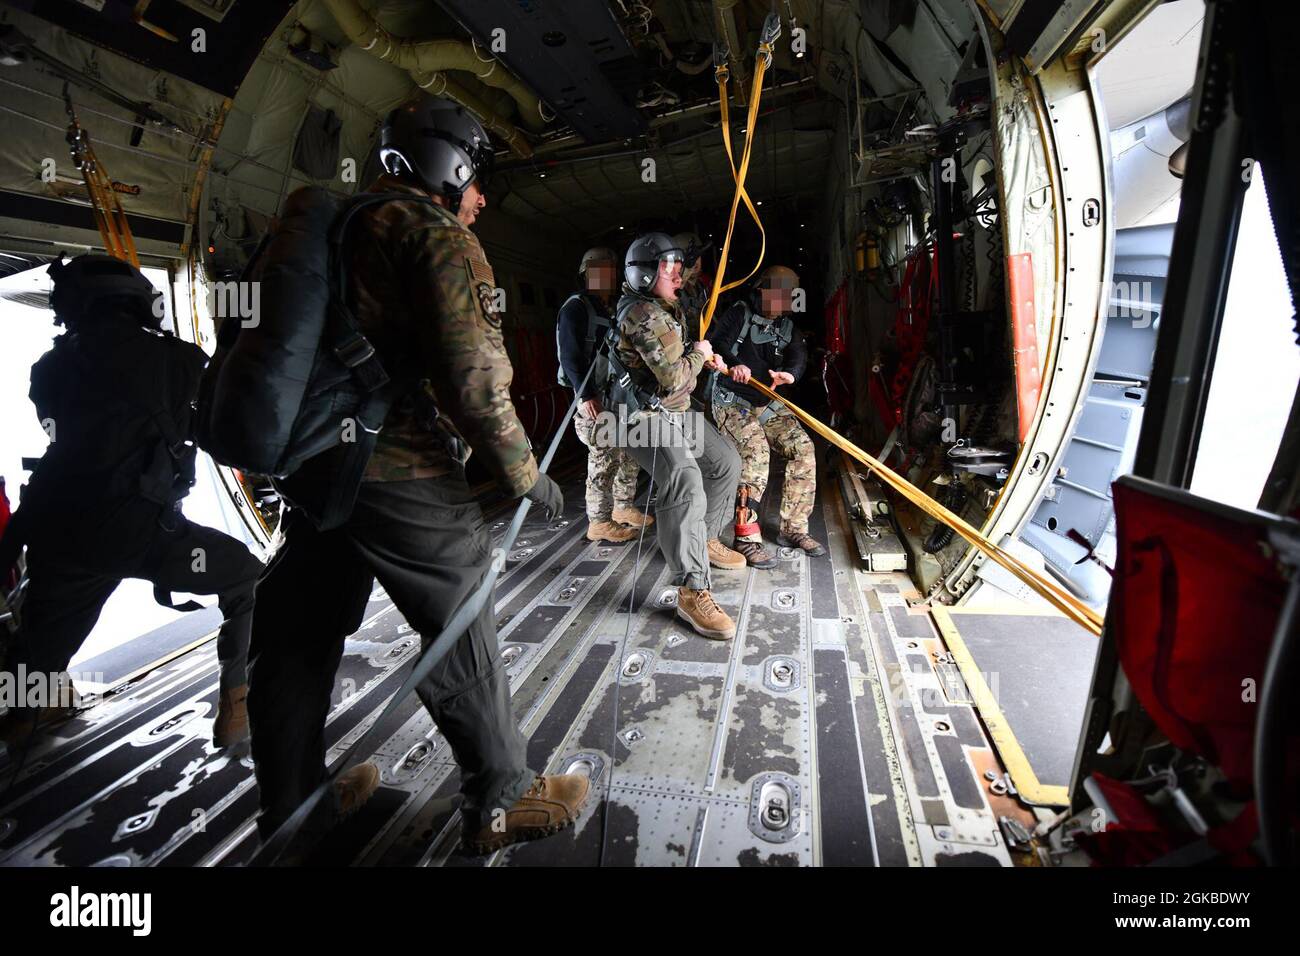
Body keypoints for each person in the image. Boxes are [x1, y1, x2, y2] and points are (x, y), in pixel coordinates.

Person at [245, 96, 588, 858]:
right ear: (449, 167)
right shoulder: (432, 233)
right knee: (460, 617)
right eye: (477, 180)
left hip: (315, 468)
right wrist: (524, 472)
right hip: (398, 469)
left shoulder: (332, 229)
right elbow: (472, 378)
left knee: (296, 633)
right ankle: (501, 799)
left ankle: (294, 809)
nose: (483, 198)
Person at [0, 254, 262, 749]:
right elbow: (217, 432)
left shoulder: (49, 368)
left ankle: (19, 720)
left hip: (60, 533)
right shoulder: (179, 359)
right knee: (248, 579)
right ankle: (236, 707)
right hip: (142, 532)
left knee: (39, 649)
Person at [608, 232, 745, 641]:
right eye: (667, 267)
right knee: (683, 478)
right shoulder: (643, 314)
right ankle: (692, 588)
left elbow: (679, 363)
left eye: (677, 265)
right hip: (640, 416)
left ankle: (701, 540)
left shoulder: (666, 309)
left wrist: (705, 355)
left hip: (675, 411)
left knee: (725, 464)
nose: (677, 272)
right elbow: (672, 380)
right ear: (645, 274)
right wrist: (700, 355)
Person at [710, 265, 825, 565]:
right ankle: (746, 536)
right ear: (762, 291)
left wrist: (791, 374)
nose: (784, 303)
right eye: (779, 296)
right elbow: (717, 343)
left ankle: (793, 528)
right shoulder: (739, 314)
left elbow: (799, 353)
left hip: (765, 403)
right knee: (756, 454)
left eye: (788, 297)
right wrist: (734, 363)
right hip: (731, 401)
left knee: (803, 448)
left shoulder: (786, 325)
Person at [555, 247, 654, 543]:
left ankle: (622, 508)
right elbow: (569, 356)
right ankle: (598, 521)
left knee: (627, 454)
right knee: (602, 460)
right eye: (598, 270)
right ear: (586, 275)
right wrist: (585, 396)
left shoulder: (610, 307)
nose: (605, 276)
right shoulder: (575, 307)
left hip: (617, 396)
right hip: (594, 398)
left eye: (609, 271)